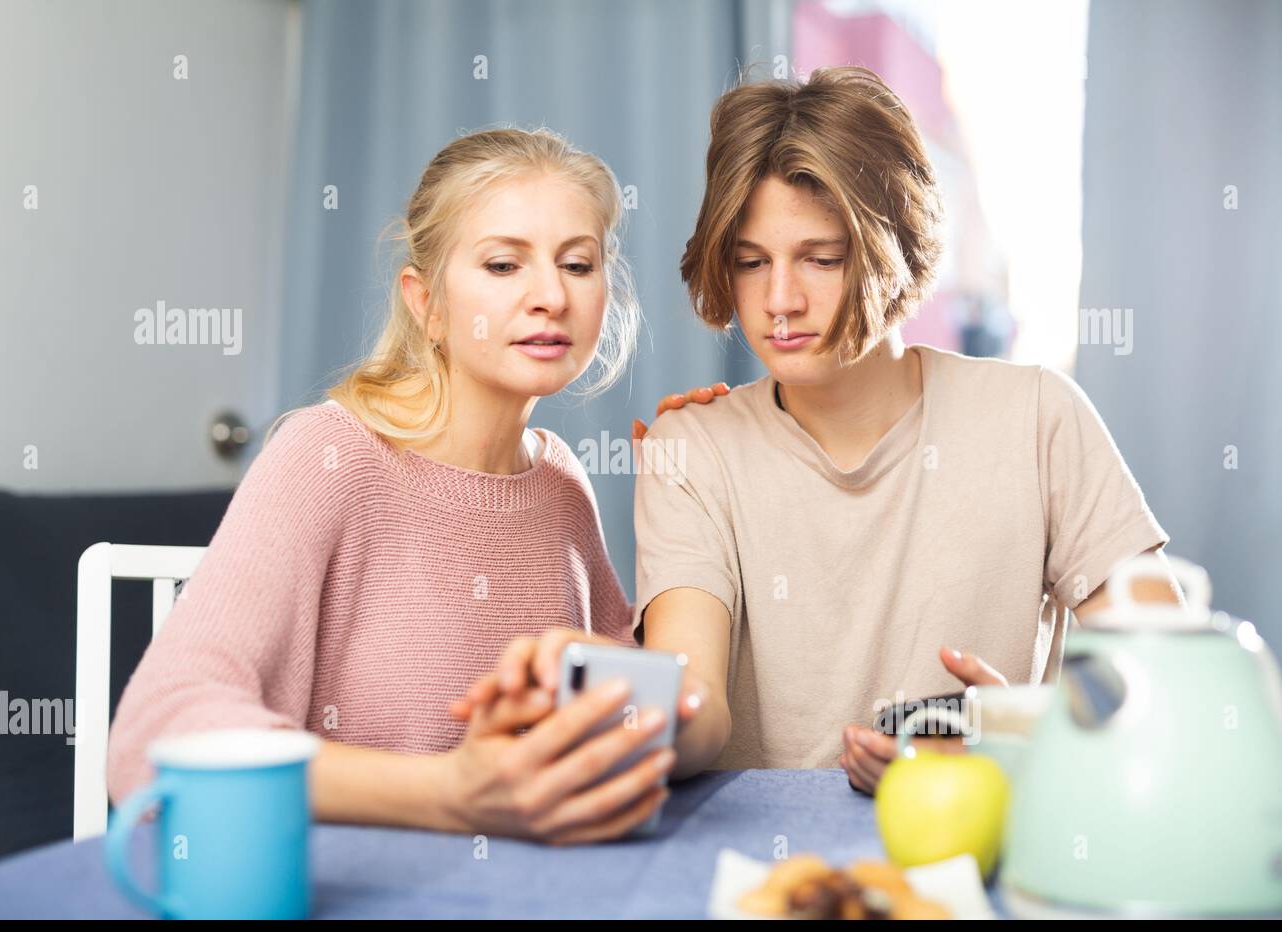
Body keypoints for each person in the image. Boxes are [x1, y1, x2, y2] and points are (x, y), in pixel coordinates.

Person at [453, 66, 1182, 795]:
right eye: (750, 263)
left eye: (822, 259)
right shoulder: (690, 448)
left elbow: (1167, 681)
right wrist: (611, 692)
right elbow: (694, 697)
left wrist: (1024, 735)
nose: (779, 301)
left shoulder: (1038, 418)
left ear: (894, 248)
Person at [108, 126, 713, 842]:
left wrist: (709, 464)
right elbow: (153, 735)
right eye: (502, 263)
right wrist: (452, 793)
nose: (550, 294)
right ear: (426, 302)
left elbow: (653, 713)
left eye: (577, 264)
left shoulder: (562, 484)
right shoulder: (326, 456)